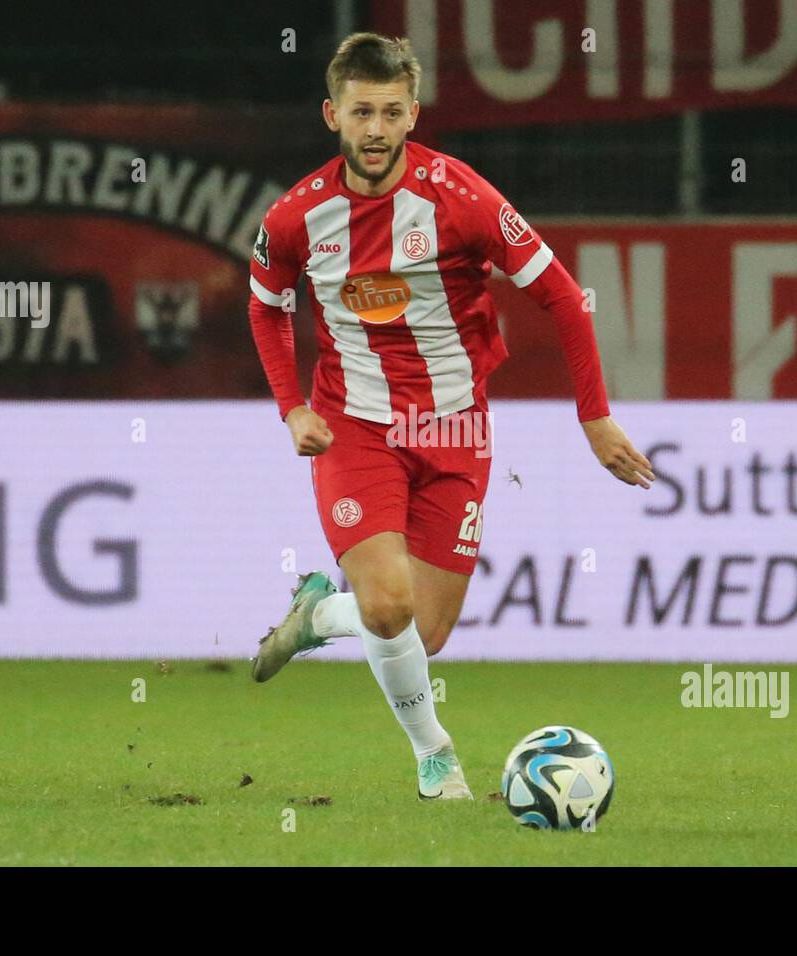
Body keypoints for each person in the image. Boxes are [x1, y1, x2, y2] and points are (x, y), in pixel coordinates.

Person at [247, 32, 654, 800]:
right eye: (361, 112)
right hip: (355, 427)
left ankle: (315, 616)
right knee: (389, 603)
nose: (375, 129)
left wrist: (594, 418)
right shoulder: (297, 216)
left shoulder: (462, 198)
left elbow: (563, 296)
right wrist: (292, 407)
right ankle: (435, 756)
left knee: (423, 633)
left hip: (454, 431)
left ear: (413, 115)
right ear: (332, 113)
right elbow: (266, 305)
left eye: (391, 112)